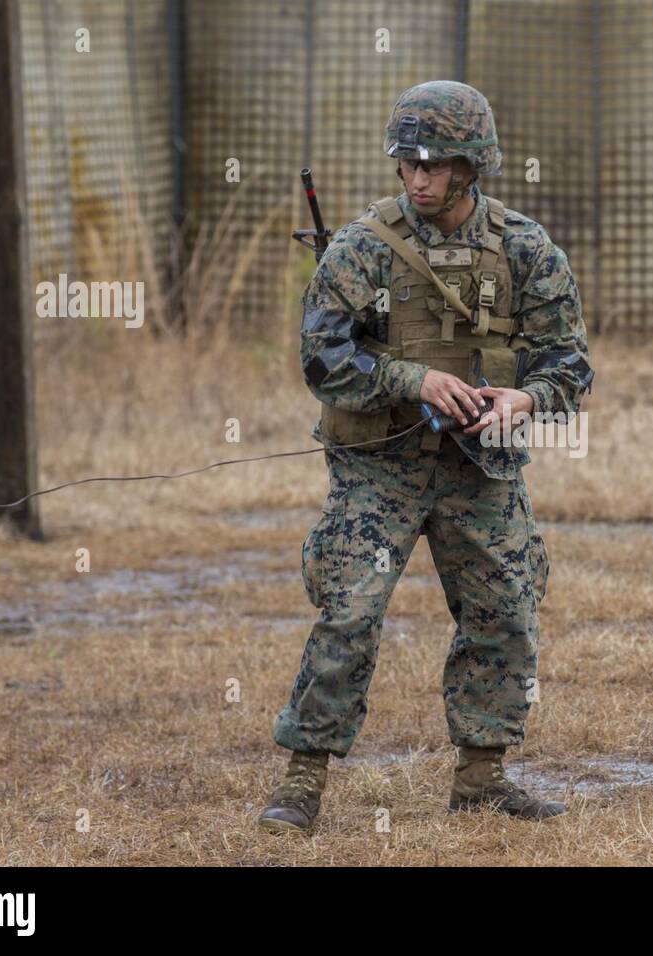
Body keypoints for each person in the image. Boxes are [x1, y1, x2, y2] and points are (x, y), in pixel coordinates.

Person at [259, 80, 593, 832]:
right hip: (379, 463)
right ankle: (302, 781)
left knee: (506, 613)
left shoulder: (524, 250)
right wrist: (415, 380)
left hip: (480, 467)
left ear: (473, 166)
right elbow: (322, 363)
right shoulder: (360, 249)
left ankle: (482, 776)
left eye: (435, 165)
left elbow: (569, 365)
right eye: (407, 163)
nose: (417, 178)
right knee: (349, 612)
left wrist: (525, 401)